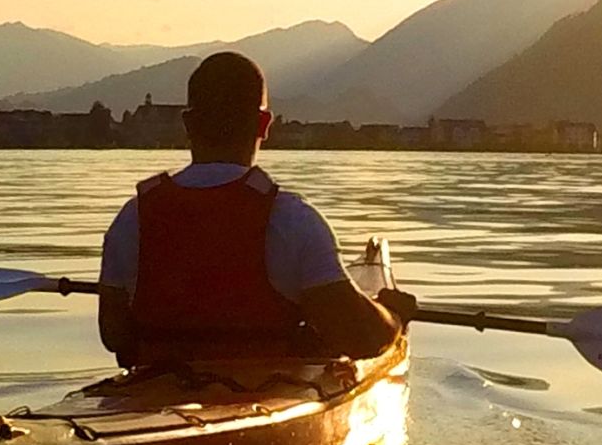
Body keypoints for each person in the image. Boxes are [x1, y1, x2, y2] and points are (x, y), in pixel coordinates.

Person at [97, 51, 413, 369]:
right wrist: (394, 317)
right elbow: (360, 338)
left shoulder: (132, 218)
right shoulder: (293, 220)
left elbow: (114, 335)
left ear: (188, 124)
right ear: (264, 124)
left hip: (152, 397)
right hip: (262, 391)